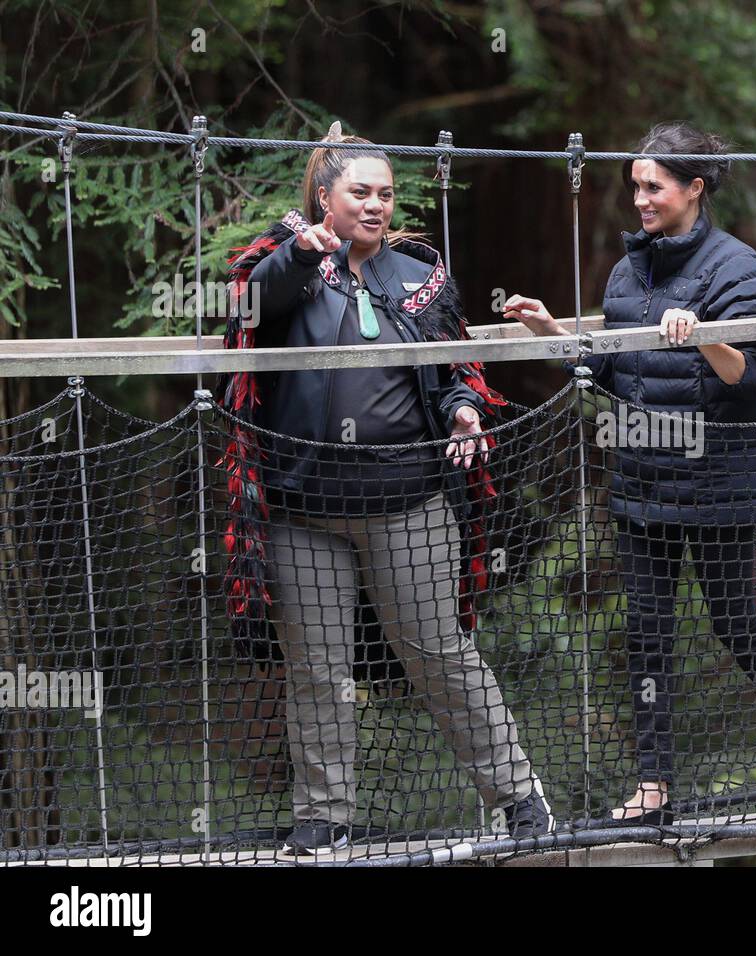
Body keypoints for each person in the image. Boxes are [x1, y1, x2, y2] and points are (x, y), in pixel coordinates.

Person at [225, 124, 552, 856]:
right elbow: (243, 312)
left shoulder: (418, 275)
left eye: (385, 194)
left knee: (440, 653)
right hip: (301, 508)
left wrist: (463, 412)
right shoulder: (279, 265)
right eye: (359, 193)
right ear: (323, 196)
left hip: (407, 499)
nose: (375, 205)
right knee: (316, 668)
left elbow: (451, 372)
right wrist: (296, 257)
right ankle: (324, 815)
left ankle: (520, 798)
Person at [504, 122, 756, 826]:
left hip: (718, 481)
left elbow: (753, 381)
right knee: (647, 635)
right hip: (641, 480)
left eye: (654, 186)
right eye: (636, 186)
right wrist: (550, 333)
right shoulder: (630, 271)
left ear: (695, 188)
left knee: (736, 624)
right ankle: (652, 790)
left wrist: (708, 334)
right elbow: (605, 369)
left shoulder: (740, 269)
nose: (642, 199)